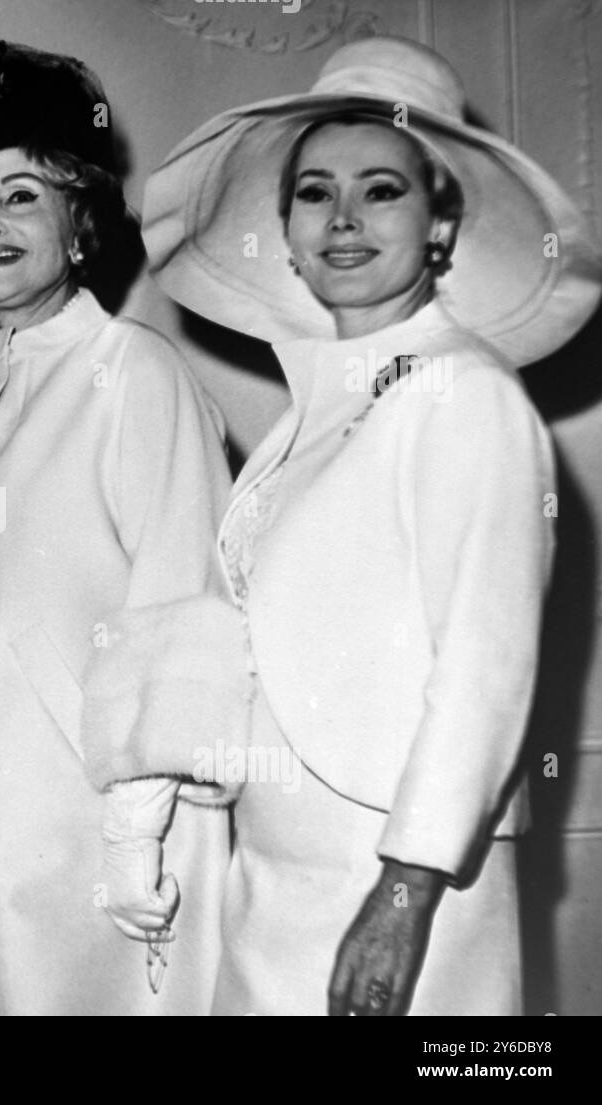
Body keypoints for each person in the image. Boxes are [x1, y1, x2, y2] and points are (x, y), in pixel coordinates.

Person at [99, 35, 602, 1015]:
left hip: (398, 881)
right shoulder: (308, 410)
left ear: (441, 220)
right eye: (314, 192)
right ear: (284, 228)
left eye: (381, 190)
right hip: (272, 876)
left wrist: (405, 891)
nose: (341, 220)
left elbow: (484, 664)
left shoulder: (464, 393)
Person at [0, 38, 234, 1015]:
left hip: (102, 848)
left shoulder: (135, 374)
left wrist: (135, 839)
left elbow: (179, 619)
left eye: (19, 194)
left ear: (78, 219)